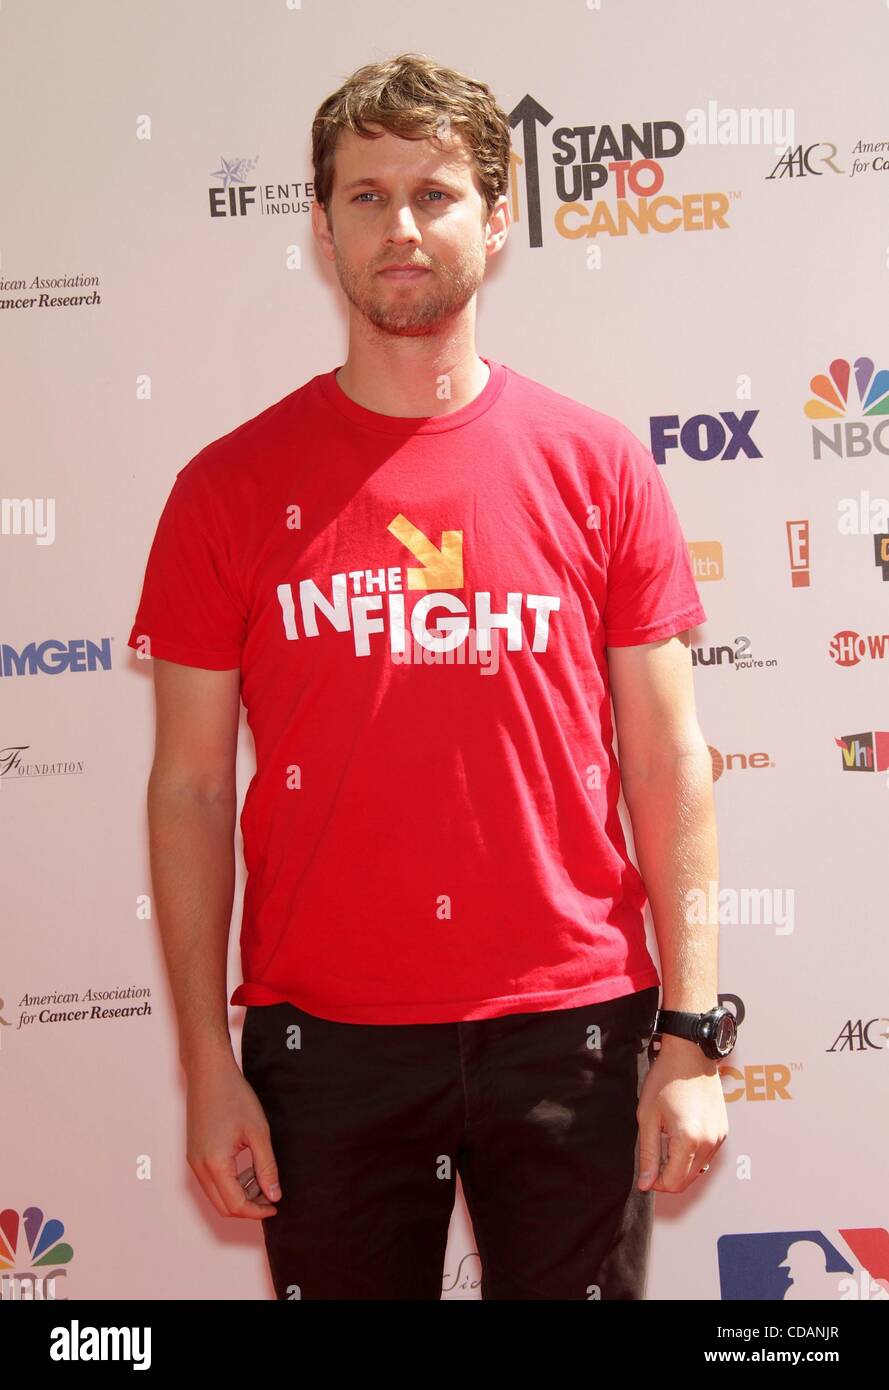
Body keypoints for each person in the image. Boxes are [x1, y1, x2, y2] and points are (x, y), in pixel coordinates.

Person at [128, 52, 732, 1301]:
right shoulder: (222, 490)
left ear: (499, 219)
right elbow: (187, 788)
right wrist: (207, 1062)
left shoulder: (599, 466)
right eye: (365, 195)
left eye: (436, 193)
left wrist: (688, 1038)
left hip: (575, 1022)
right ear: (321, 223)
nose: (400, 225)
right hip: (321, 1043)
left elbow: (670, 761)